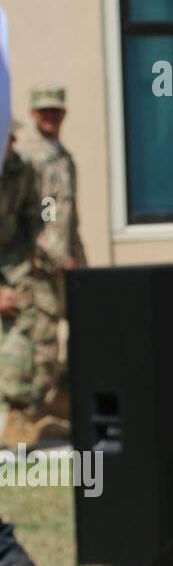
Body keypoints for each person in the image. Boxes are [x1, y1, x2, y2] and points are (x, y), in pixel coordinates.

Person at [17, 86, 86, 443]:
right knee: (43, 344)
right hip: (44, 267)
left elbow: (66, 219)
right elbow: (41, 217)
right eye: (44, 112)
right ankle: (27, 417)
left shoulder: (64, 157)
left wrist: (79, 260)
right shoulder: (32, 158)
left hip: (70, 263)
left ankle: (61, 401)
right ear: (33, 114)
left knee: (86, 332)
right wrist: (57, 257)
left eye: (56, 111)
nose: (51, 117)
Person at [0, 129, 45, 451]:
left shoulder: (22, 169)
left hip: (11, 261)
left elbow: (34, 214)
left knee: (22, 322)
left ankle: (17, 413)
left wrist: (31, 261)